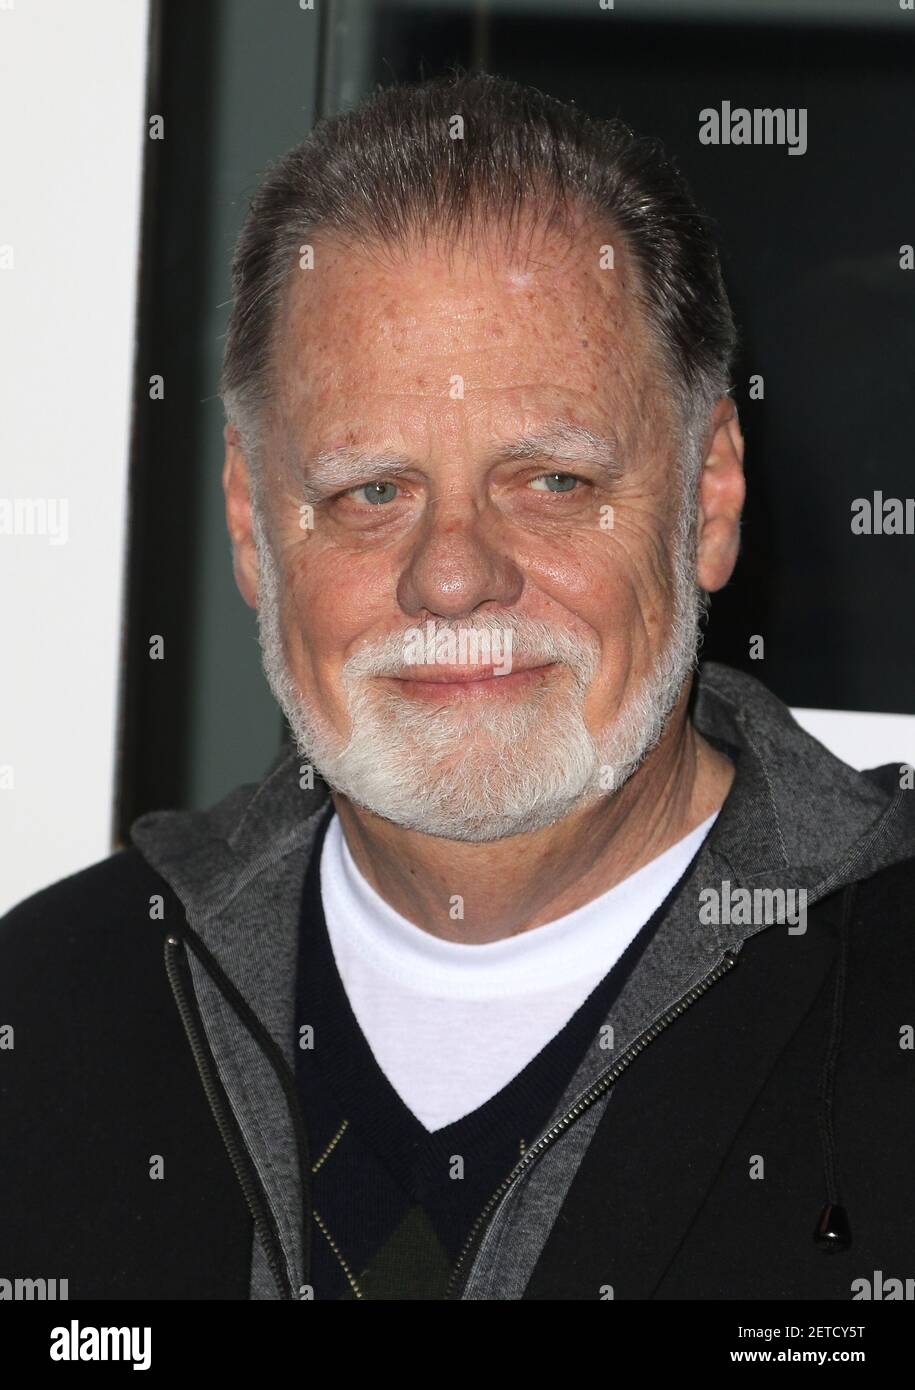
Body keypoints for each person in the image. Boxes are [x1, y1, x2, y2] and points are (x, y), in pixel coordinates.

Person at [2, 70, 913, 1302]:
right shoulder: (54, 1013)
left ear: (708, 496)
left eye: (549, 481)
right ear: (250, 524)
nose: (452, 577)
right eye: (371, 490)